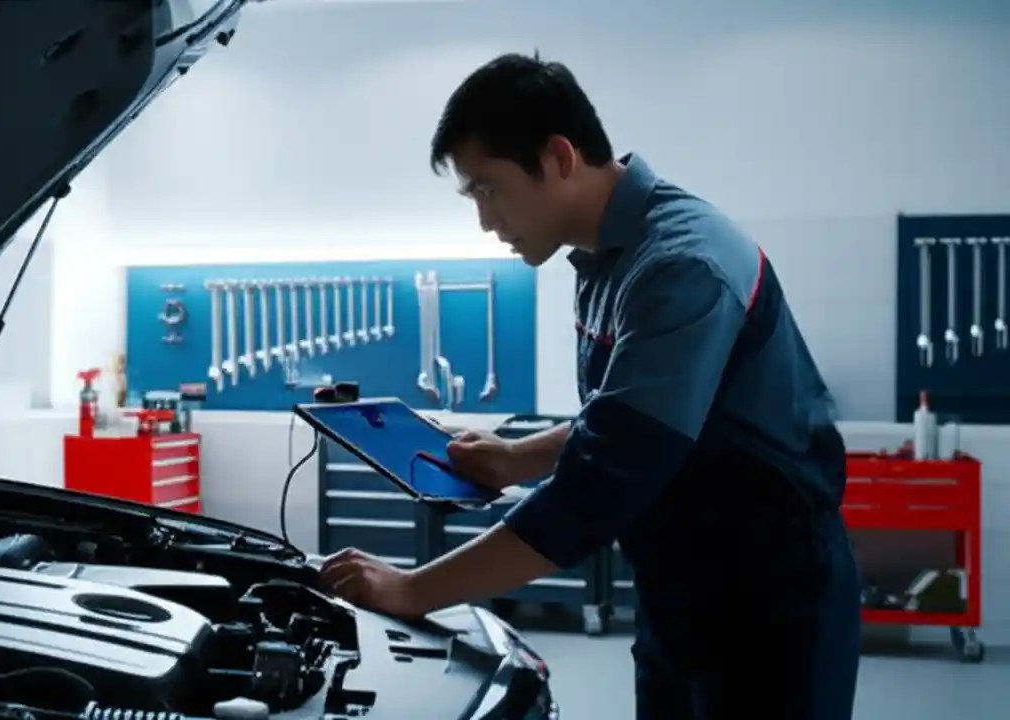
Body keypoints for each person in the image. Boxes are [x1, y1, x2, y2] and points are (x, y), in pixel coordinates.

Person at [318, 53, 862, 719]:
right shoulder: (607, 258)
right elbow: (637, 413)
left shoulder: (680, 266)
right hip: (680, 587)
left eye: (487, 189)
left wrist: (412, 591)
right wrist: (520, 456)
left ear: (556, 157)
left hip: (768, 602)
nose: (485, 222)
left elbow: (599, 487)